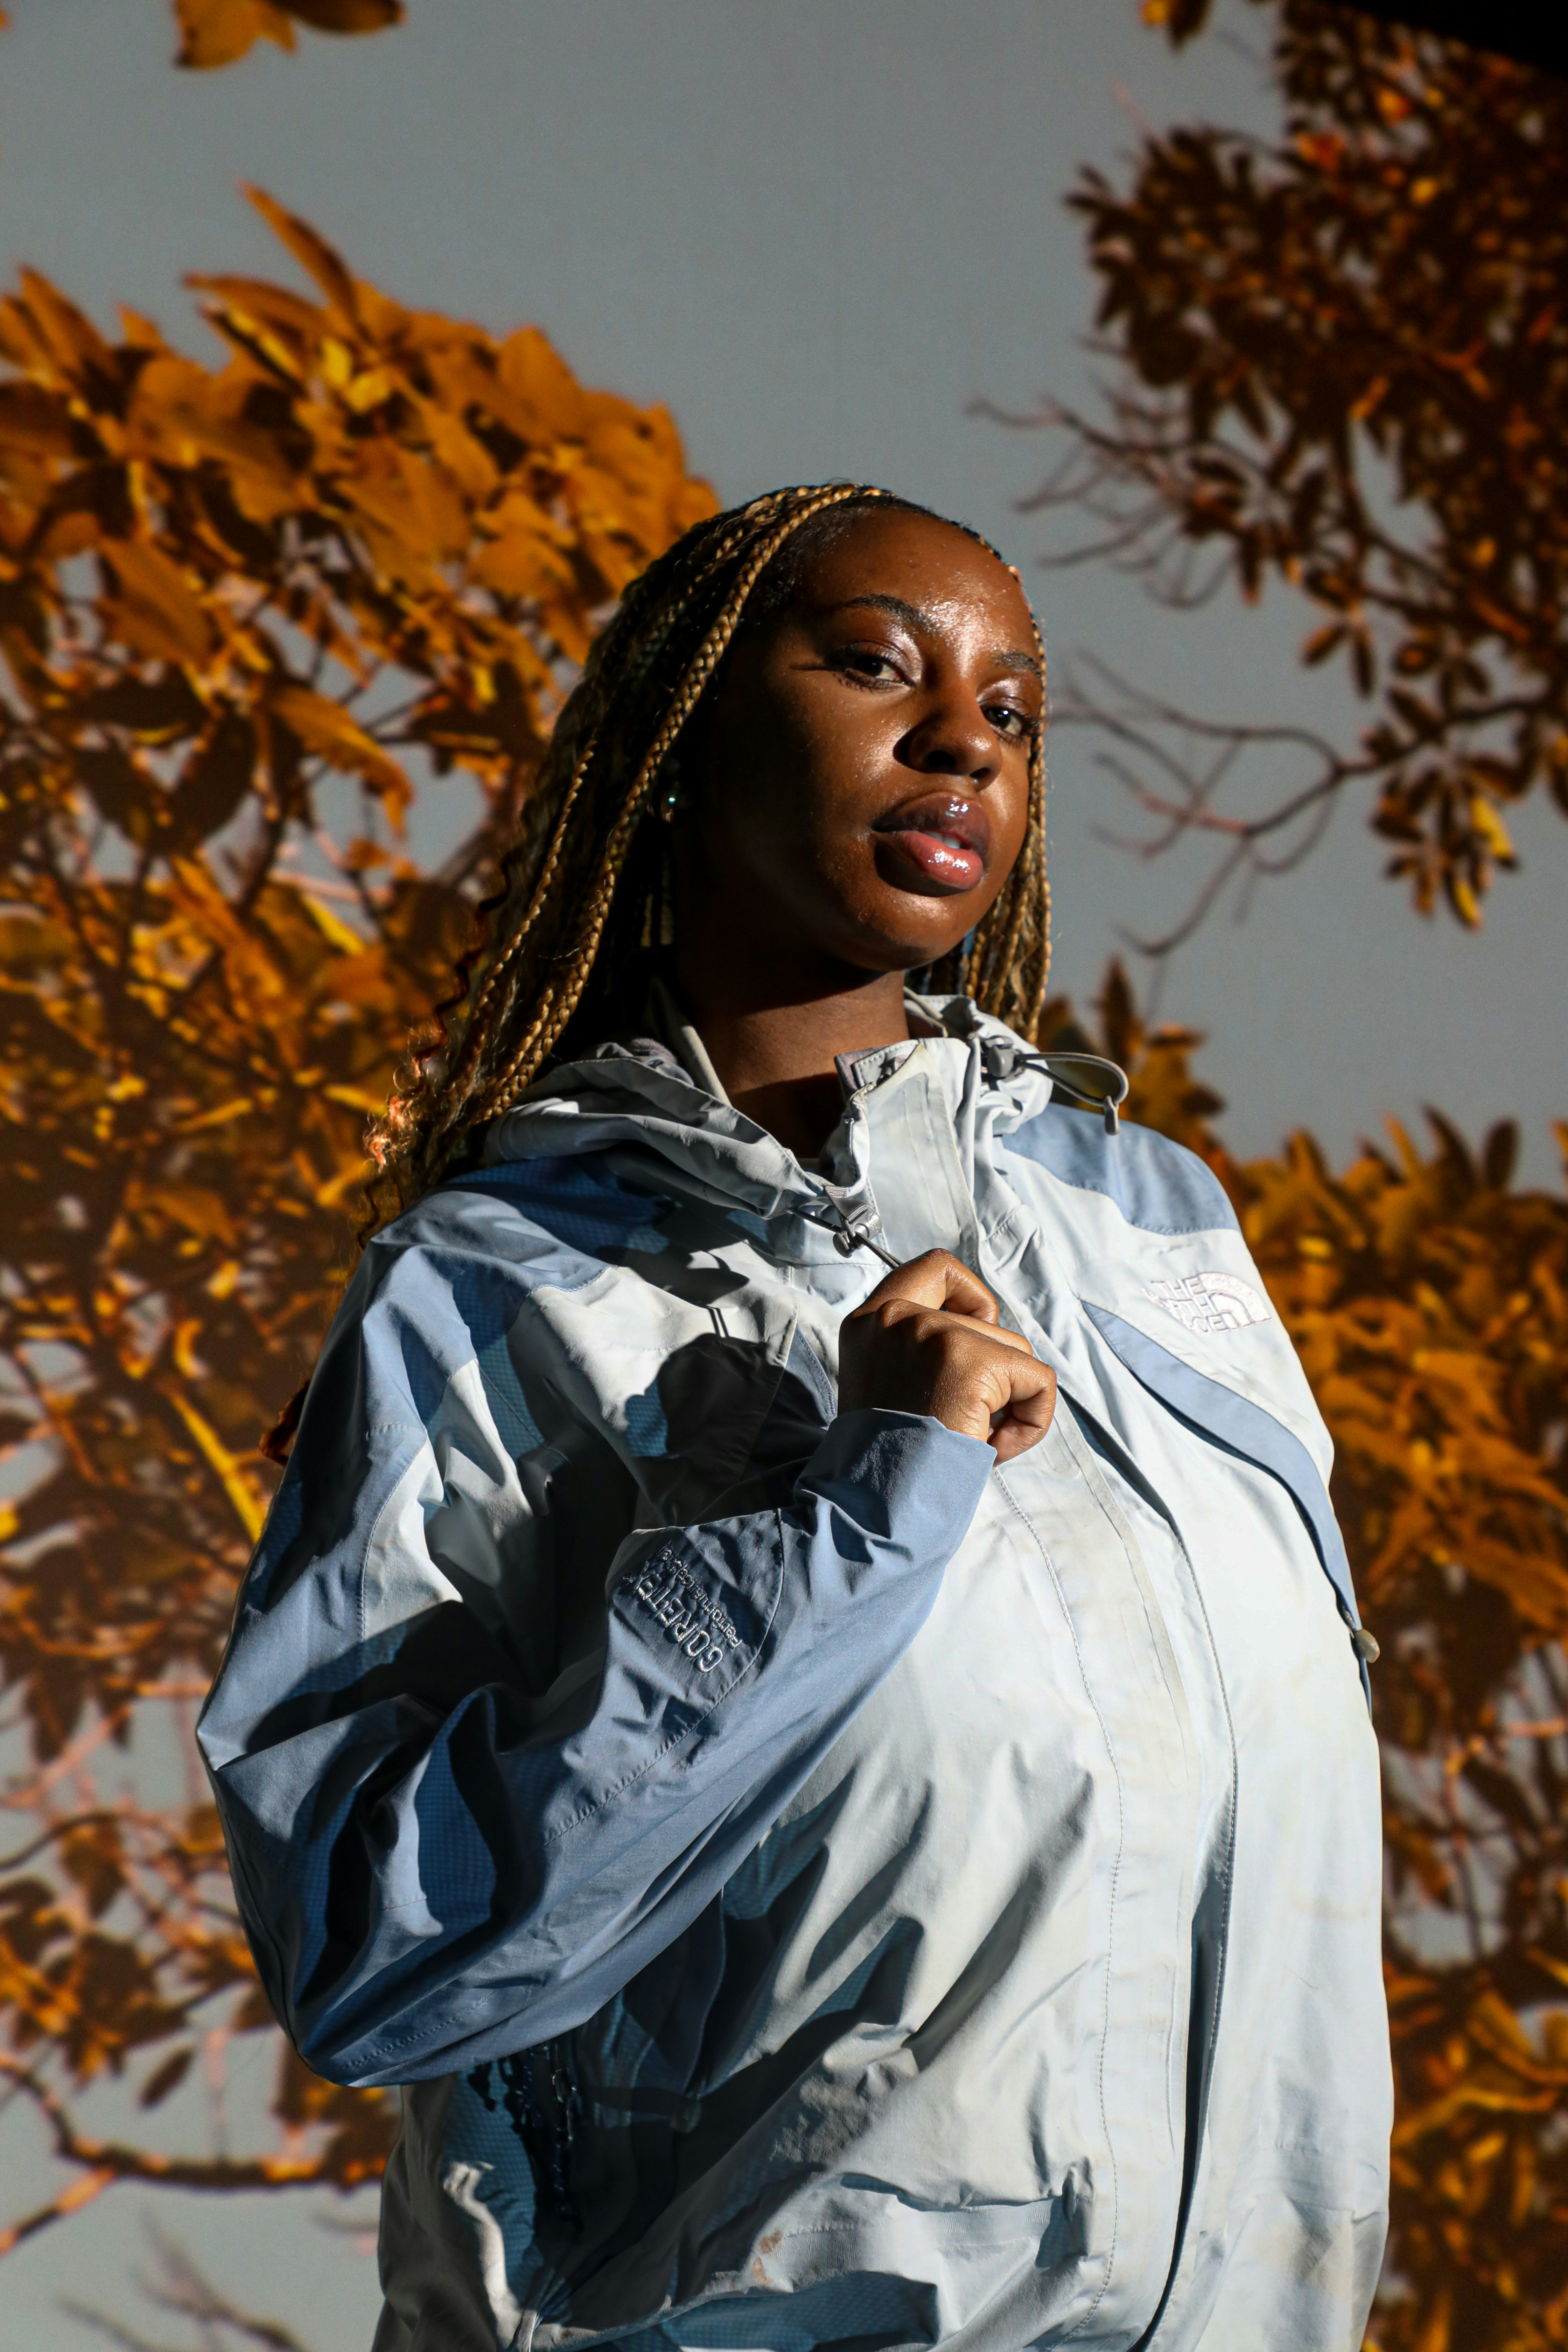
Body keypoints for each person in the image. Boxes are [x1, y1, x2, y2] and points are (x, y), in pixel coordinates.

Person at [198, 483, 1391, 2352]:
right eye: (874, 667)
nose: (959, 742)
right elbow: (375, 1956)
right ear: (685, 737)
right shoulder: (497, 1290)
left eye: (1009, 711)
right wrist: (852, 1514)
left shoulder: (1155, 1229)